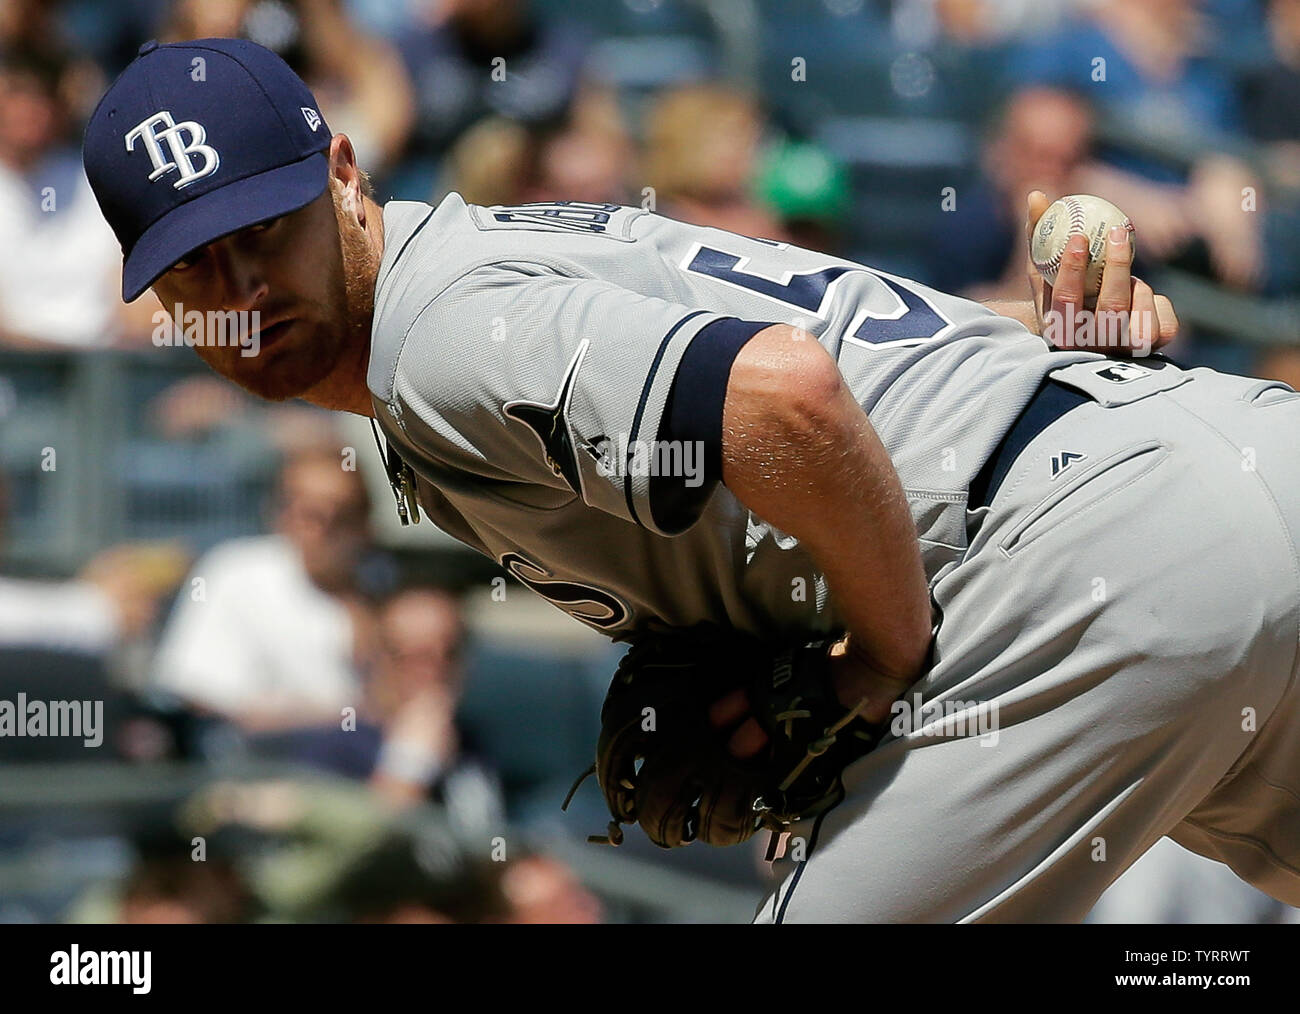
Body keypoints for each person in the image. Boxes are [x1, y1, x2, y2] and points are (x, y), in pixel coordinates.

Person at [82, 40, 1300, 925]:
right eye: (197, 272)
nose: (242, 294)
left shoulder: (438, 333)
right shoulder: (489, 260)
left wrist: (876, 659)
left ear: (343, 172)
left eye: (265, 232)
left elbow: (784, 394)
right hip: (1213, 462)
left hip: (1076, 574)